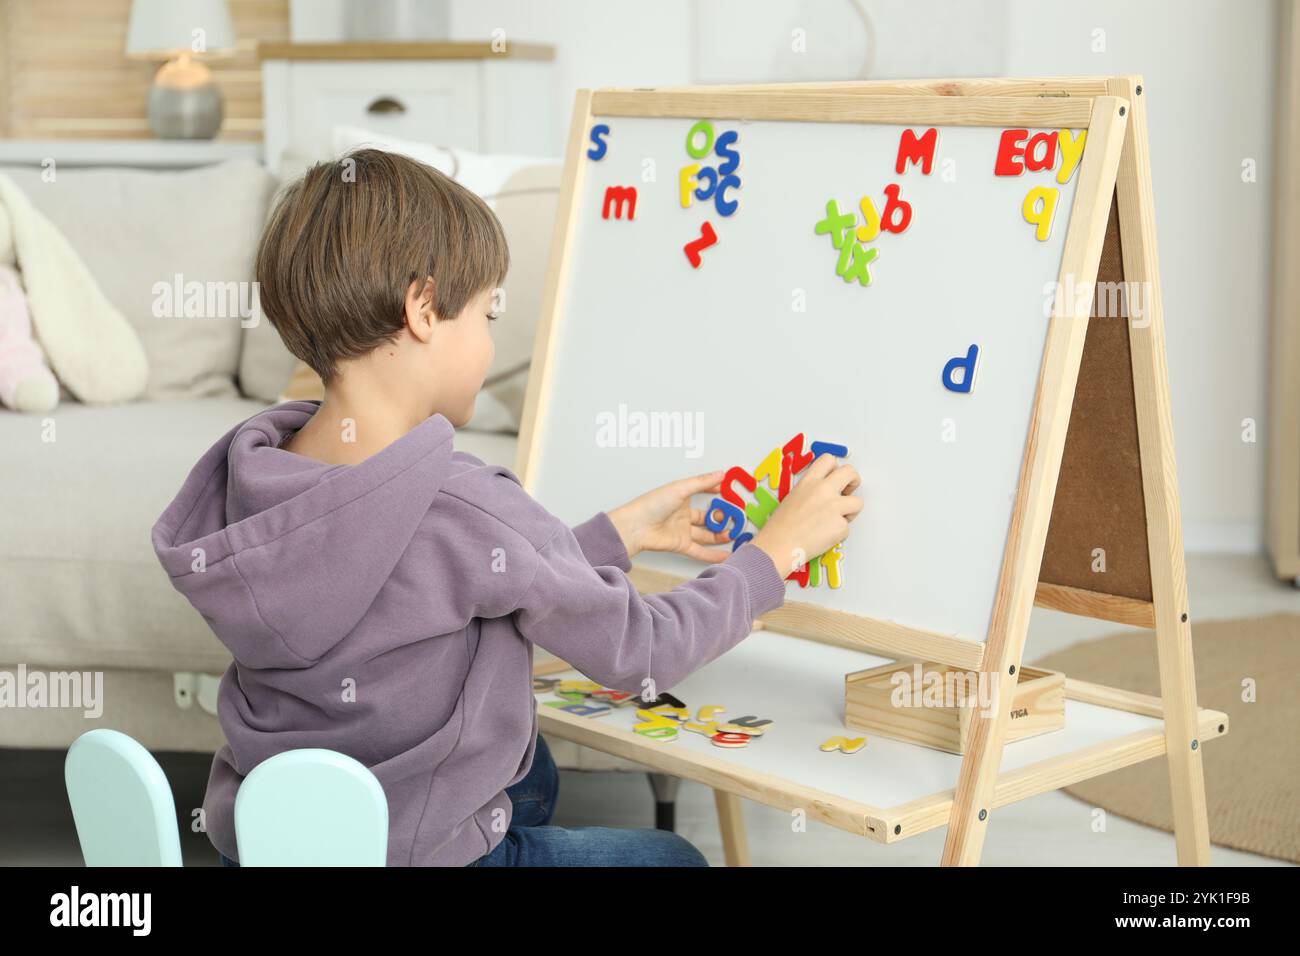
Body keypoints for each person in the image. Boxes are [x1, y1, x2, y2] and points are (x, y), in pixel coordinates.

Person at [153, 149, 862, 867]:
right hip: (419, 852)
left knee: (533, 770)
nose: (491, 341)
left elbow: (425, 577)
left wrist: (615, 534)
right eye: (488, 312)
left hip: (290, 841)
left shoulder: (256, 482)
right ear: (423, 309)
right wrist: (771, 557)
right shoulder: (460, 500)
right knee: (671, 859)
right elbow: (642, 653)